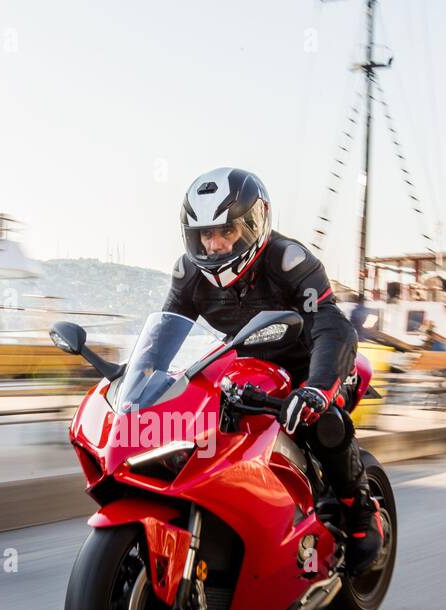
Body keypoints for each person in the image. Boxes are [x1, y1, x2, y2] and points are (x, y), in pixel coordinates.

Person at [162, 167, 380, 573]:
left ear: (252, 224)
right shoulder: (190, 274)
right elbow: (165, 334)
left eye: (225, 231)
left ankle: (362, 517)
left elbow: (330, 327)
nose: (214, 244)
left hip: (312, 365)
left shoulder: (290, 261)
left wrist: (317, 389)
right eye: (205, 235)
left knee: (326, 425)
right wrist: (139, 378)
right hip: (250, 371)